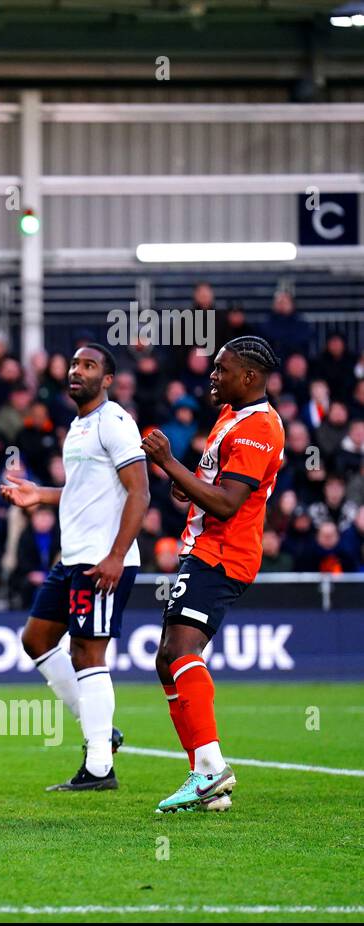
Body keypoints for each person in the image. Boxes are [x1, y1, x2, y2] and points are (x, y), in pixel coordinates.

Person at [141, 336, 285, 813]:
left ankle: (209, 769)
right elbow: (206, 488)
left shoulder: (258, 428)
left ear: (249, 377)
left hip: (222, 554)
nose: (213, 376)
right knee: (168, 659)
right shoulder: (231, 416)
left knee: (181, 649)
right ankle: (202, 776)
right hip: (204, 549)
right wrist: (185, 483)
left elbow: (225, 503)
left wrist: (166, 463)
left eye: (222, 370)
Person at [2, 344, 149, 791]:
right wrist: (40, 495)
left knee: (88, 652)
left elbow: (139, 492)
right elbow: (84, 491)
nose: (76, 372)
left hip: (102, 560)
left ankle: (100, 767)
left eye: (89, 366)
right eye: (73, 365)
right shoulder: (79, 426)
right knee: (36, 639)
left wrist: (116, 556)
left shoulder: (115, 421)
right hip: (74, 558)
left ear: (107, 380)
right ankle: (102, 730)